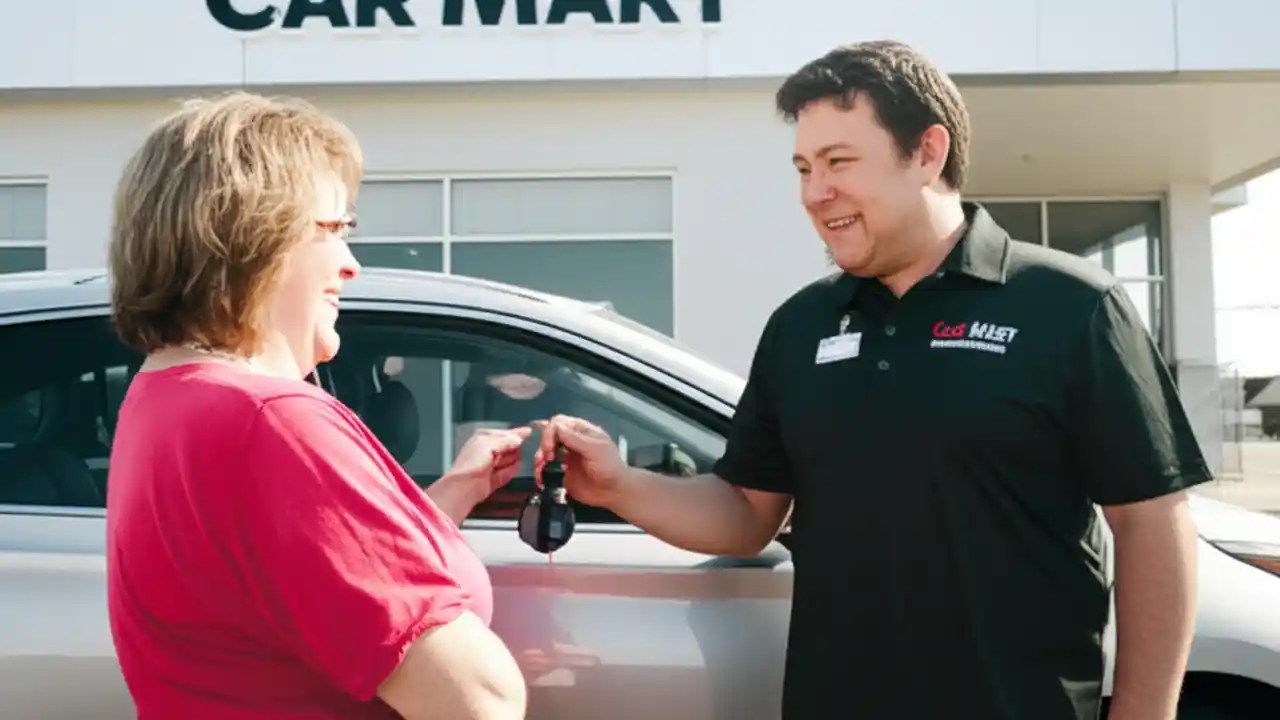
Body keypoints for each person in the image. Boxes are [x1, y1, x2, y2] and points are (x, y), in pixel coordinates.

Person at [535, 40, 1211, 720]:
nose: (813, 193)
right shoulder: (801, 327)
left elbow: (1153, 522)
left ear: (927, 152)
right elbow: (747, 513)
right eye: (803, 168)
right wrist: (619, 485)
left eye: (838, 162)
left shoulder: (1071, 307)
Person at [105, 92, 529, 720]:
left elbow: (294, 584)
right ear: (251, 234)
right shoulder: (273, 420)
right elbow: (477, 699)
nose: (351, 265)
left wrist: (448, 499)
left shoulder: (165, 398)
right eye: (332, 230)